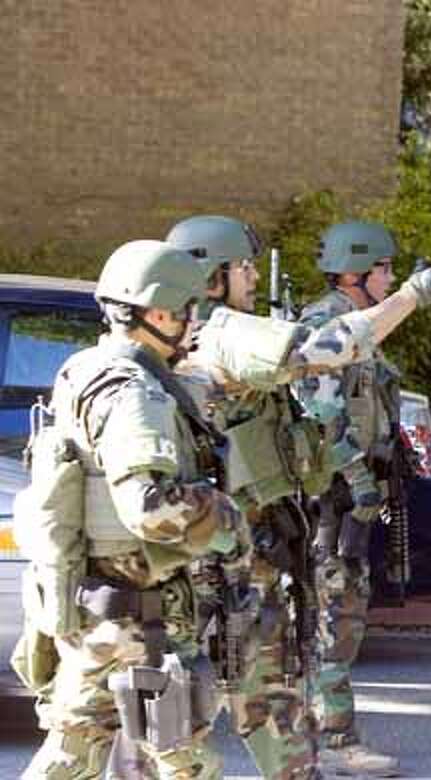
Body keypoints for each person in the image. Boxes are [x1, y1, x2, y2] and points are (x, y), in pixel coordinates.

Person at [20, 240, 251, 779]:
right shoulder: (135, 395)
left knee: (70, 755)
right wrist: (225, 518)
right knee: (185, 765)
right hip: (137, 625)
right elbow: (149, 507)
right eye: (190, 310)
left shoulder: (87, 368)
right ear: (160, 313)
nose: (196, 323)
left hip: (97, 612)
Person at [291, 221, 431, 776]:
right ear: (353, 273)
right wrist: (358, 478)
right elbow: (320, 413)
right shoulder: (325, 325)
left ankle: (312, 737)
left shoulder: (356, 328)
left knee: (339, 615)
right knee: (333, 616)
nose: (394, 278)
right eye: (386, 269)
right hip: (333, 500)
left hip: (353, 496)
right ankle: (336, 740)